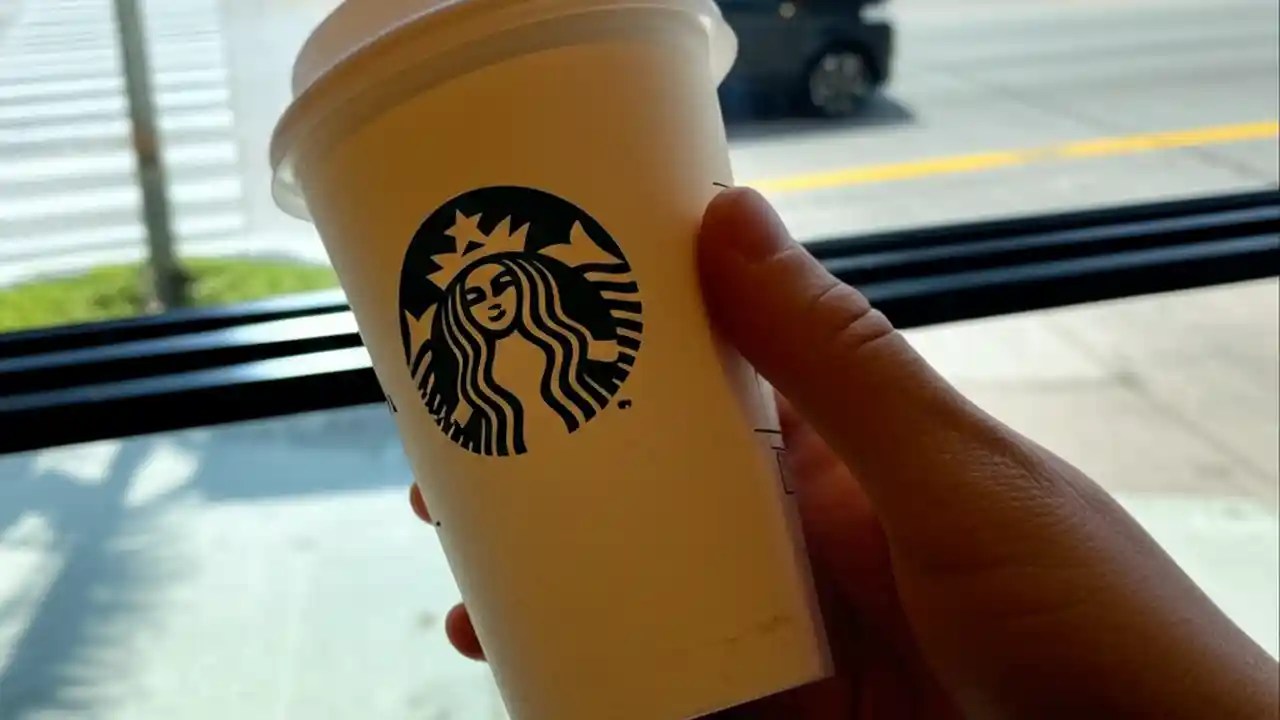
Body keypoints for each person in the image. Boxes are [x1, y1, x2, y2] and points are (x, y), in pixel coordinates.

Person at [407, 189, 1280, 718]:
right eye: (469, 290)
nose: (484, 299)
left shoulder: (572, 355)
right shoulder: (486, 389)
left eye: (500, 282)